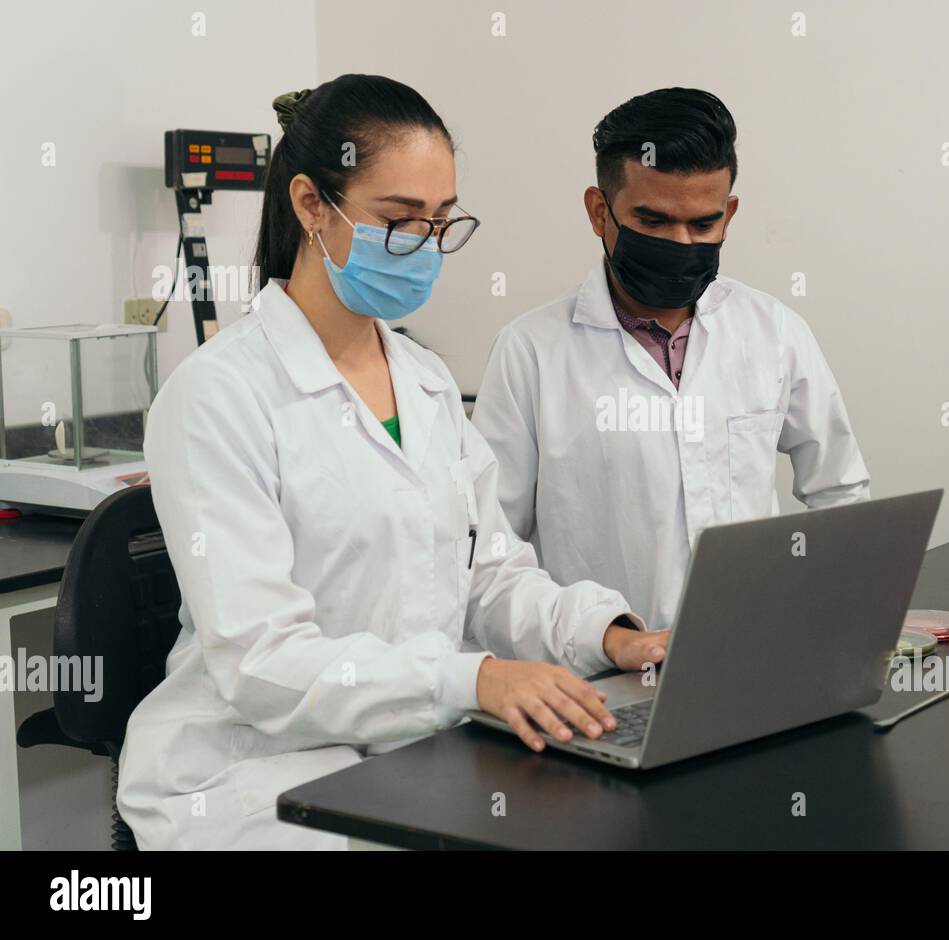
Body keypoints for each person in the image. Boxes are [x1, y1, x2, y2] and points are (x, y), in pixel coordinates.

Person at [117, 75, 666, 850]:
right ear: (311, 205)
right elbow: (261, 663)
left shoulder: (426, 381)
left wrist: (607, 632)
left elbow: (490, 573)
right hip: (254, 773)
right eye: (399, 221)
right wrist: (468, 679)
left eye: (442, 222)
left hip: (411, 751)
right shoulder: (217, 396)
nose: (425, 247)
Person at [472, 88, 871, 631]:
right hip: (596, 682)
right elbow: (493, 552)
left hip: (752, 656)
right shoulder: (530, 353)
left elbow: (841, 493)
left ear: (729, 213)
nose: (681, 243)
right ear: (598, 211)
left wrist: (818, 615)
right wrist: (592, 635)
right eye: (654, 222)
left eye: (703, 225)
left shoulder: (773, 331)